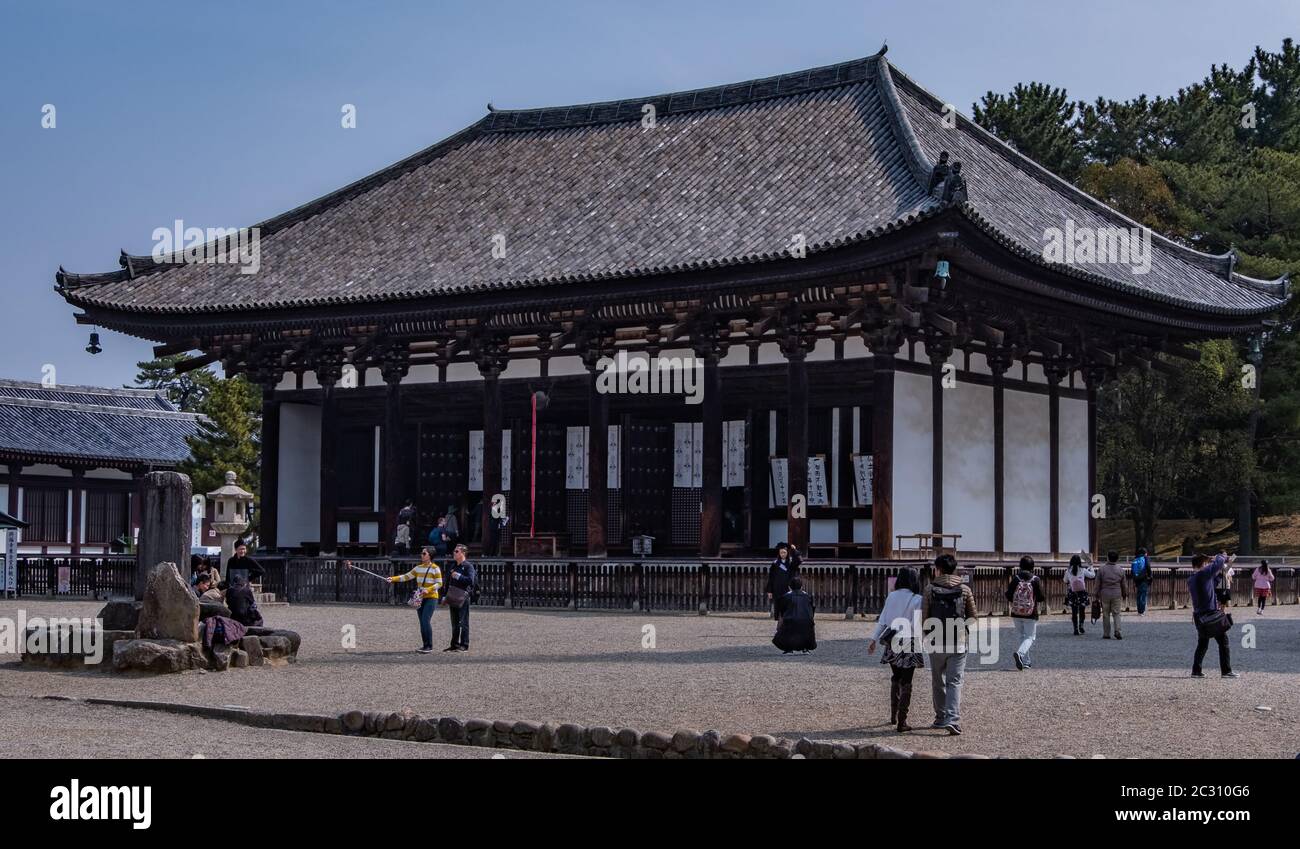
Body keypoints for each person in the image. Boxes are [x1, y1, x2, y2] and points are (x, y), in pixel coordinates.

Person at [922, 553, 975, 736]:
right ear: (954, 569)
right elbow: (973, 617)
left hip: (936, 641)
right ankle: (952, 719)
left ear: (938, 569)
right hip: (958, 642)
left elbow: (925, 618)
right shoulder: (965, 590)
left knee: (938, 680)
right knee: (954, 681)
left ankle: (940, 717)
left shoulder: (929, 589)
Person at [867, 566, 923, 732]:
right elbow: (915, 625)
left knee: (896, 677)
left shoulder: (891, 596)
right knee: (907, 681)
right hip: (909, 641)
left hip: (891, 642)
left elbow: (883, 620)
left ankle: (893, 714)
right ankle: (902, 721)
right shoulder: (917, 598)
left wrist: (873, 639)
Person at [386, 547, 443, 653]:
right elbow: (406, 577)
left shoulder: (435, 568)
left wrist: (429, 589)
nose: (421, 555)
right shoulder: (418, 568)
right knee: (422, 622)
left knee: (426, 620)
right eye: (422, 553)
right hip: (420, 598)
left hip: (431, 598)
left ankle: (429, 646)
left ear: (430, 555)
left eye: (424, 553)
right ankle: (425, 645)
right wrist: (392, 579)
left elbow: (439, 583)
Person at [1189, 553, 1236, 678]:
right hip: (1210, 614)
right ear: (1203, 564)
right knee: (1223, 642)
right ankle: (1226, 671)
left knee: (1202, 644)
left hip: (1199, 615)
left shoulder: (1192, 578)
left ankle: (1196, 670)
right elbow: (1220, 562)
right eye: (1206, 563)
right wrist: (1218, 556)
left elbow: (1216, 578)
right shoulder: (1203, 574)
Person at [1005, 555, 1045, 669]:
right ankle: (1021, 654)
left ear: (1020, 566)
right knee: (1030, 637)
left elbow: (1008, 594)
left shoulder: (1016, 578)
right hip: (1030, 613)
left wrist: (1017, 602)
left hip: (1016, 612)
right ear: (1032, 566)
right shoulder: (1035, 579)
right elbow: (1041, 597)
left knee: (1021, 636)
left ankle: (1026, 661)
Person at [443, 544, 477, 652]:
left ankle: (464, 644)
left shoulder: (468, 566)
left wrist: (458, 576)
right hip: (453, 595)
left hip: (462, 596)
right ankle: (454, 644)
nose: (454, 553)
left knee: (463, 621)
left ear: (463, 553)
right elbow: (447, 582)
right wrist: (444, 595)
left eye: (456, 551)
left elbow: (470, 581)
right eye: (454, 551)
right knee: (454, 622)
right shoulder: (453, 566)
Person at [772, 576, 816, 653]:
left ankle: (788, 648)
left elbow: (782, 613)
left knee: (781, 635)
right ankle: (805, 647)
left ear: (789, 587)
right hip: (806, 623)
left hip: (790, 622)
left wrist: (779, 626)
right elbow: (812, 612)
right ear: (801, 587)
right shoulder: (808, 597)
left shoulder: (786, 597)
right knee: (805, 630)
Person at [1095, 550, 1126, 640]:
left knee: (1106, 614)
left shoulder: (1102, 569)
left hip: (1105, 593)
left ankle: (1106, 633)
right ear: (1117, 559)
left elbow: (1097, 584)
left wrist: (1096, 593)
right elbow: (1123, 584)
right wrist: (1124, 594)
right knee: (1116, 613)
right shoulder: (1120, 570)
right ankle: (1118, 631)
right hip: (1117, 593)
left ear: (1108, 558)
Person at [766, 542, 800, 620]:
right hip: (777, 588)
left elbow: (799, 560)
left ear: (787, 553)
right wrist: (769, 590)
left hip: (787, 587)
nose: (783, 554)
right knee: (777, 605)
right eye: (781, 552)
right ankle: (778, 621)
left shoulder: (791, 563)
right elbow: (771, 577)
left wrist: (794, 550)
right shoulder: (775, 563)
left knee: (788, 604)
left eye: (784, 552)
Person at [1064, 553, 1095, 635]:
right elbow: (1092, 575)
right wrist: (1091, 567)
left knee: (1074, 611)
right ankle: (1081, 626)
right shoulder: (1083, 570)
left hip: (1072, 592)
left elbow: (1065, 580)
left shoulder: (1068, 571)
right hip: (1081, 592)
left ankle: (1075, 629)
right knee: (1082, 610)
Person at [1131, 548, 1153, 615]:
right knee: (1143, 595)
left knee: (1139, 595)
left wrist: (1135, 578)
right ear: (1145, 553)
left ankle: (1139, 610)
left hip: (1136, 579)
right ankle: (1142, 611)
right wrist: (1150, 576)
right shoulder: (1145, 558)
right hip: (1144, 579)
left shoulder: (1135, 559)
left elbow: (1132, 570)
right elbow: (1148, 567)